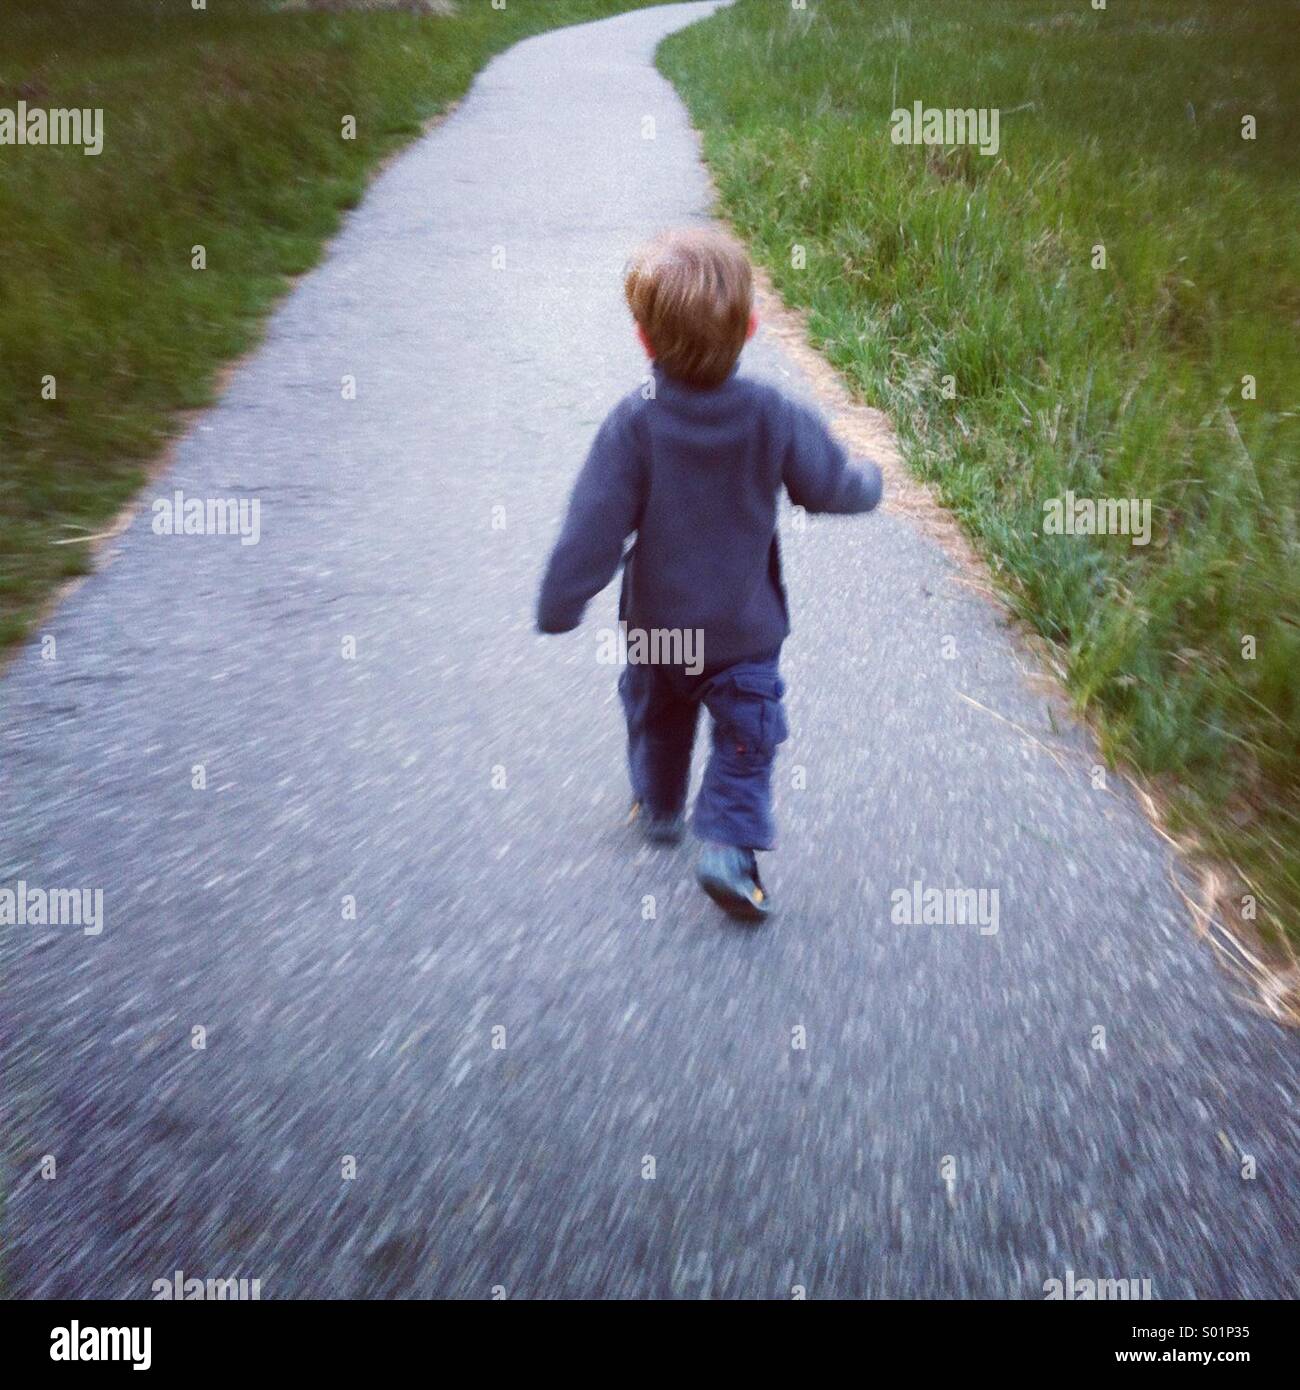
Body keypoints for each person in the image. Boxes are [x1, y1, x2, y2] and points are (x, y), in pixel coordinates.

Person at [536, 228, 882, 922]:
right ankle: (726, 846)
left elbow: (593, 529)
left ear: (644, 341)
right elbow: (828, 485)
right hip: (743, 637)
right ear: (752, 328)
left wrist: (560, 603)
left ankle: (660, 807)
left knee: (658, 716)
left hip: (659, 632)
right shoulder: (771, 415)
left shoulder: (634, 424)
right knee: (746, 741)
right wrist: (868, 480)